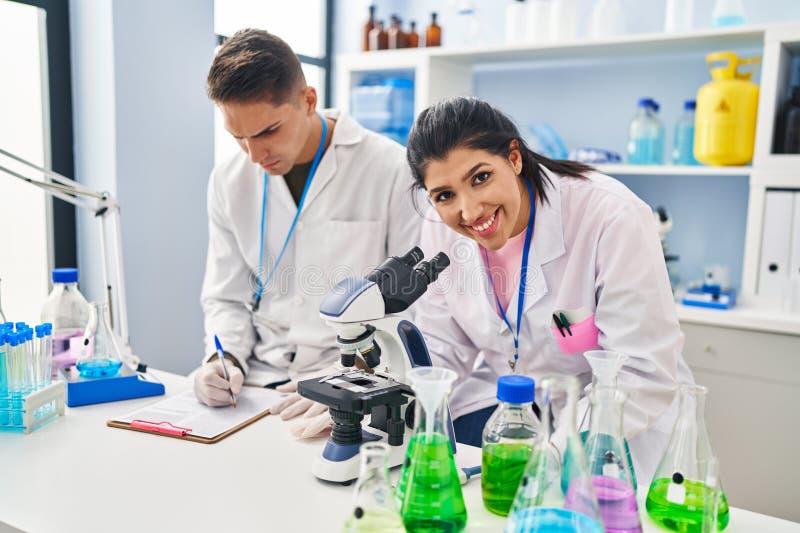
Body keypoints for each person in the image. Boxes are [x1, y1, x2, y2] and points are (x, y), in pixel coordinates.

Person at [407, 96, 693, 483]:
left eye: (481, 178)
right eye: (444, 195)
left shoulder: (610, 216)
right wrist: (384, 401)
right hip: (518, 403)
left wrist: (556, 455)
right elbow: (443, 347)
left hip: (616, 417)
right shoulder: (440, 227)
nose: (470, 211)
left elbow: (640, 371)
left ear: (514, 158)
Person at [193, 29, 419, 438]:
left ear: (309, 100)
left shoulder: (390, 168)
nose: (254, 155)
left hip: (355, 383)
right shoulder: (228, 180)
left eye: (267, 132)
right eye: (238, 138)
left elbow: (411, 307)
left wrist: (350, 377)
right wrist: (222, 360)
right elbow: (226, 297)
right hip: (256, 388)